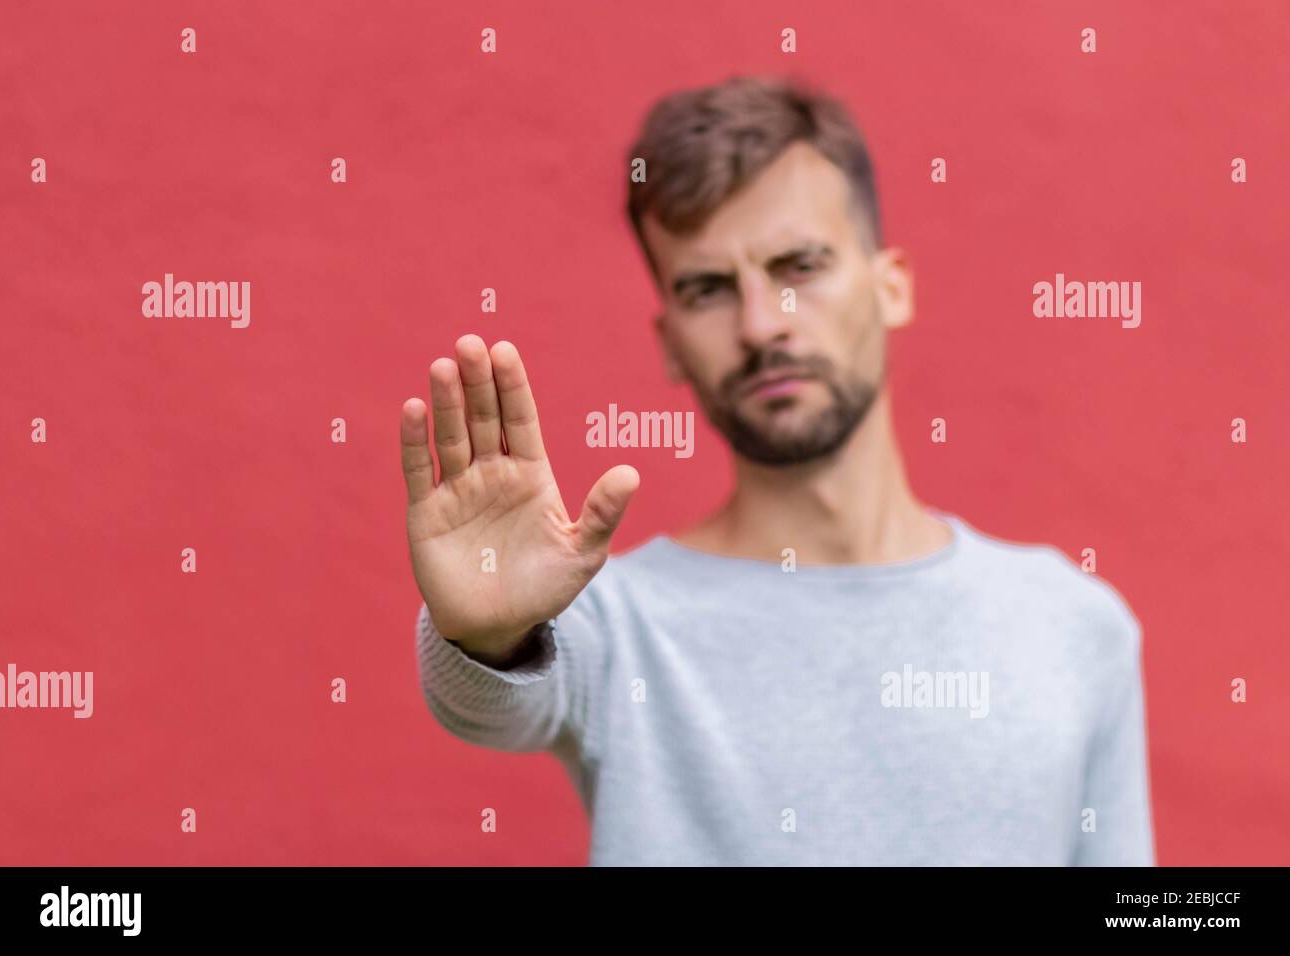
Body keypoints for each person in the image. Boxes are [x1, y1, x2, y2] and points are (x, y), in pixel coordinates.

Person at [398, 75, 1155, 866]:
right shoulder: (611, 624)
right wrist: (485, 635)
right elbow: (488, 704)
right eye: (707, 289)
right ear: (668, 341)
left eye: (799, 266)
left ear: (890, 285)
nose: (763, 326)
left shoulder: (1073, 625)